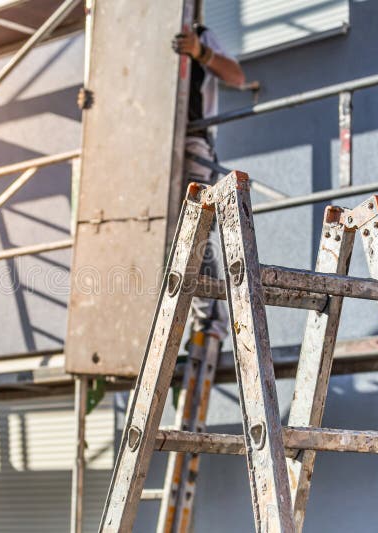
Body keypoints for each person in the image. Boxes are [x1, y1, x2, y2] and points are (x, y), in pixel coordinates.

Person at [173, 21, 245, 341]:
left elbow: (237, 77)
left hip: (191, 144)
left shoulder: (198, 34)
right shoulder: (141, 35)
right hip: (149, 150)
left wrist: (200, 52)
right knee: (160, 234)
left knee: (192, 231)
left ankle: (209, 318)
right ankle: (179, 315)